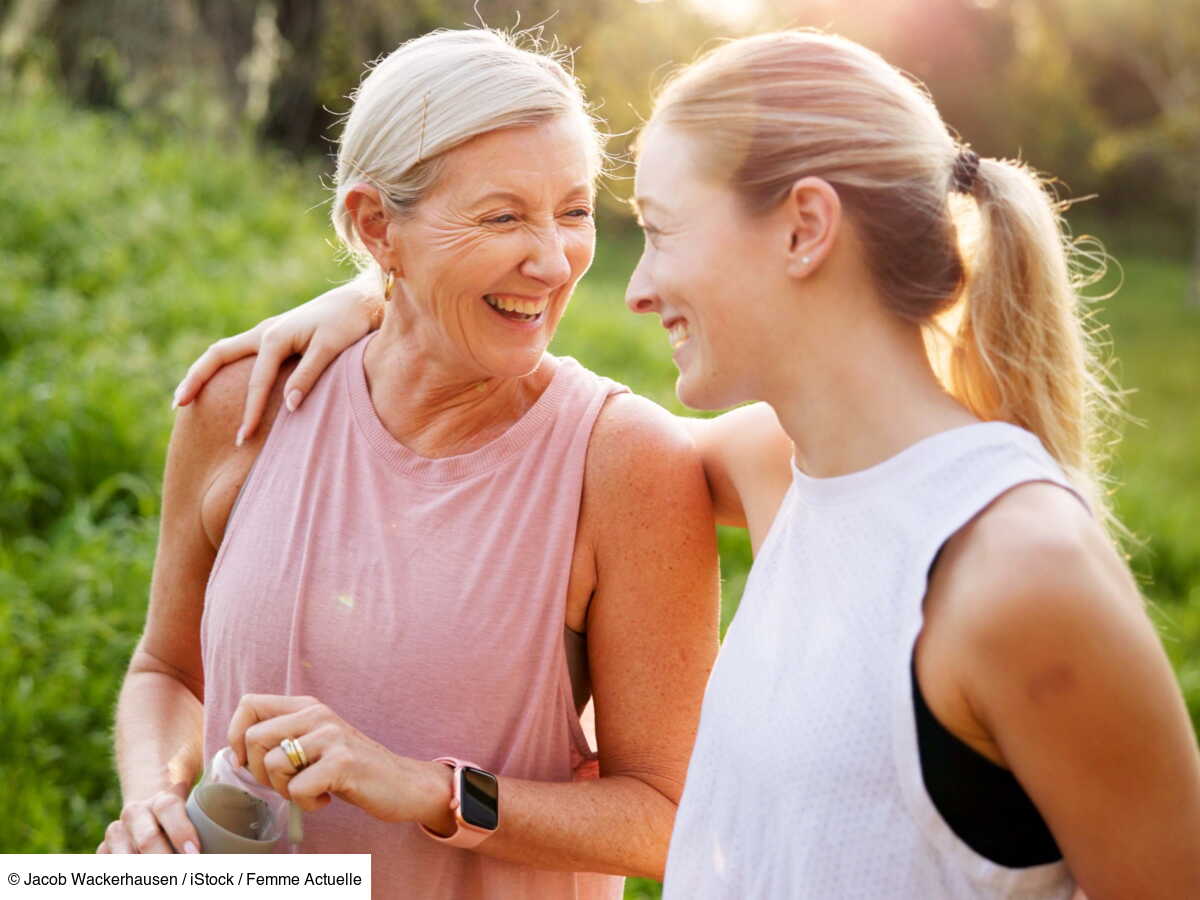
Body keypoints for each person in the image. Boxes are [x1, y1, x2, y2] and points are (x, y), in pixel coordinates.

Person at [175, 29, 1200, 899]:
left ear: (803, 229)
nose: (628, 287)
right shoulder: (785, 465)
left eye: (656, 233)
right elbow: (517, 419)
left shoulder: (1019, 576)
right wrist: (378, 295)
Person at [99, 28, 721, 900]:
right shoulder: (241, 403)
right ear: (374, 224)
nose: (553, 261)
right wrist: (154, 797)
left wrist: (431, 789)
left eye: (573, 211)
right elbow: (167, 673)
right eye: (503, 216)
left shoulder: (626, 461)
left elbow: (672, 818)